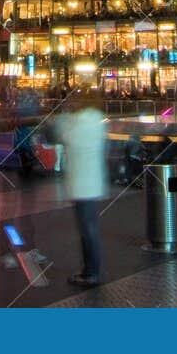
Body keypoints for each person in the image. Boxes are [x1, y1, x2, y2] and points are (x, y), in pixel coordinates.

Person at [58, 96, 109, 287]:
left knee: (87, 230)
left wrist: (65, 119)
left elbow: (65, 136)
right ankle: (92, 269)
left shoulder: (79, 123)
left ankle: (91, 272)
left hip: (82, 184)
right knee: (89, 228)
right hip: (91, 183)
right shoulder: (97, 120)